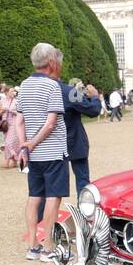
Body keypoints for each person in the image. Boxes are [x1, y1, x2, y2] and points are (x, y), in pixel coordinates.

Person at [19, 42, 70, 260]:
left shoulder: (24, 85)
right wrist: (33, 143)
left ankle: (32, 244)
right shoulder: (52, 86)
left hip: (35, 155)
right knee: (52, 197)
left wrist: (25, 146)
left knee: (34, 196)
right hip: (52, 150)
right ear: (51, 62)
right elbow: (51, 123)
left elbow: (19, 120)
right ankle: (47, 244)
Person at [54, 55, 103, 196]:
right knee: (82, 180)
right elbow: (93, 110)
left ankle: (43, 216)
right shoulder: (68, 92)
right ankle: (85, 211)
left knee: (50, 184)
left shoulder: (36, 89)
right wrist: (94, 96)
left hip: (50, 142)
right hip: (73, 140)